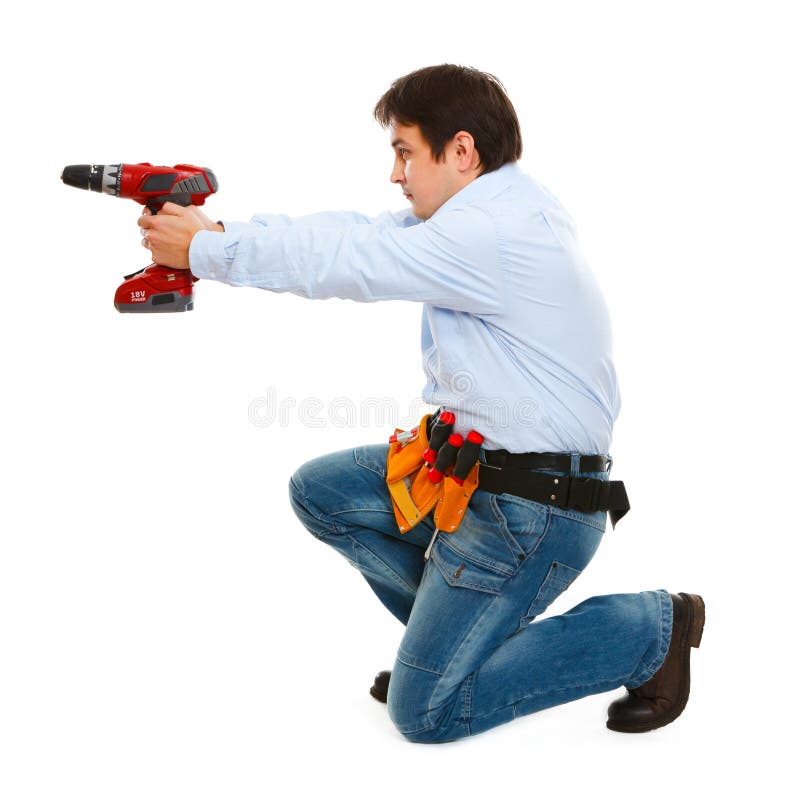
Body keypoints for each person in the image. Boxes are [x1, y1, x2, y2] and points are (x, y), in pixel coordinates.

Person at [137, 64, 704, 743]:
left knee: (425, 713)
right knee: (323, 492)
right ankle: (450, 652)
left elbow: (352, 266)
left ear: (461, 151)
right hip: (471, 479)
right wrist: (222, 230)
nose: (395, 173)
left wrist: (203, 253)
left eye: (405, 152)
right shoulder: (495, 212)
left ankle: (649, 630)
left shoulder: (488, 235)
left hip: (530, 515)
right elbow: (356, 235)